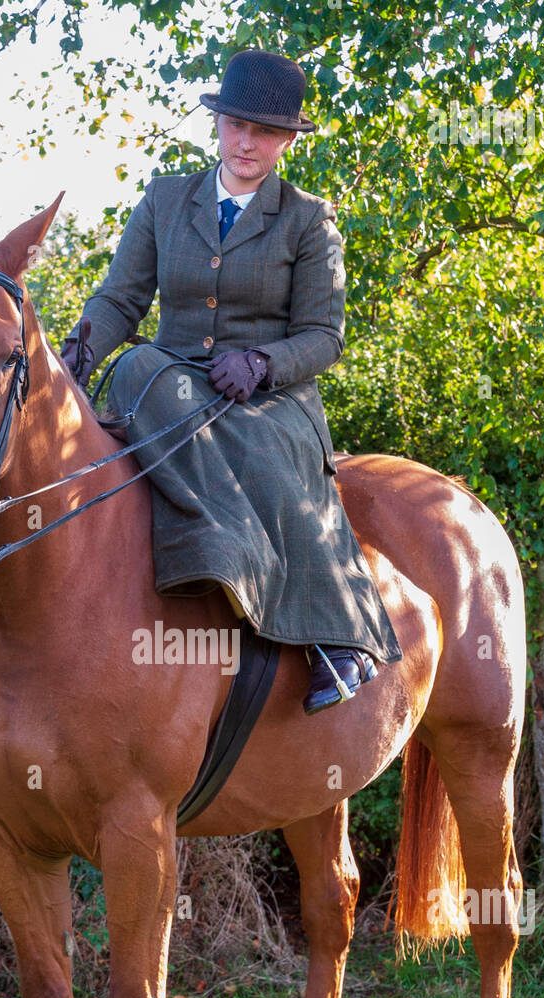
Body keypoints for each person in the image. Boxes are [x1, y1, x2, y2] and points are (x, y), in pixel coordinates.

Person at [61, 49, 402, 713]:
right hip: (168, 381)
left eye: (266, 132)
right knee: (135, 366)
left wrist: (264, 363)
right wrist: (75, 354)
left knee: (260, 451)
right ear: (216, 124)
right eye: (236, 125)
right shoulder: (163, 199)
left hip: (267, 400)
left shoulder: (309, 220)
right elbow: (119, 299)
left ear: (287, 140)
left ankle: (339, 634)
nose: (248, 143)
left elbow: (324, 335)